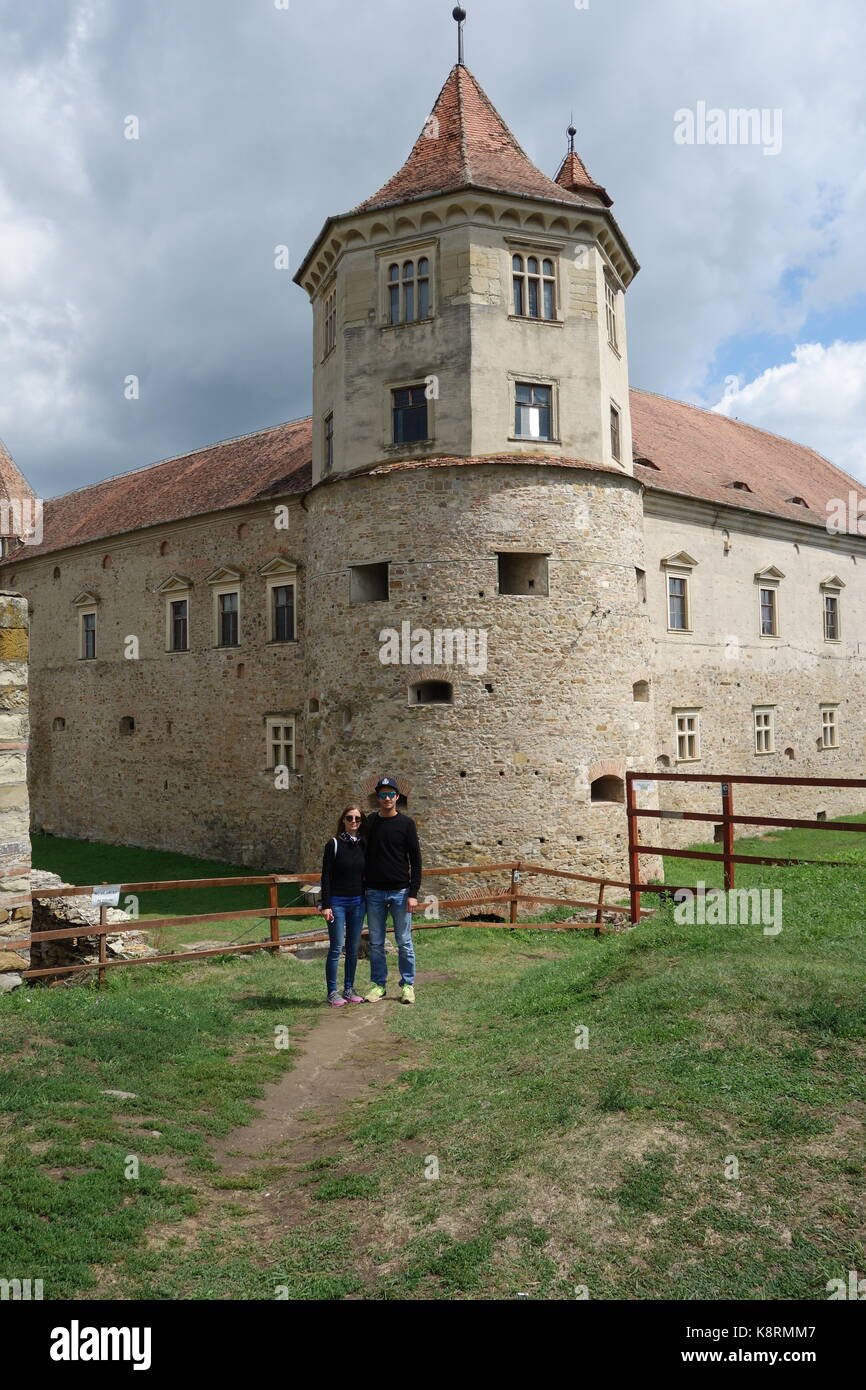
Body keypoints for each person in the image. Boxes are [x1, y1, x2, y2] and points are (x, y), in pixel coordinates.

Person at [363, 776, 422, 1005]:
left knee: (404, 942)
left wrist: (414, 893)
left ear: (397, 797)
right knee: (376, 943)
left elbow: (415, 860)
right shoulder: (370, 822)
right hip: (375, 892)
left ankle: (407, 985)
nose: (387, 799)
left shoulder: (406, 824)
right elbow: (363, 856)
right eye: (382, 795)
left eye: (390, 794)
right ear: (377, 798)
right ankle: (379, 985)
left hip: (400, 891)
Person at [320, 805, 367, 1007]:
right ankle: (332, 992)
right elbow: (326, 876)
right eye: (349, 818)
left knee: (352, 947)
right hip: (337, 903)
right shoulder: (334, 844)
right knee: (336, 947)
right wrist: (326, 905)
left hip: (358, 902)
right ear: (343, 820)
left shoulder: (364, 845)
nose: (353, 822)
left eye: (357, 819)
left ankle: (349, 988)